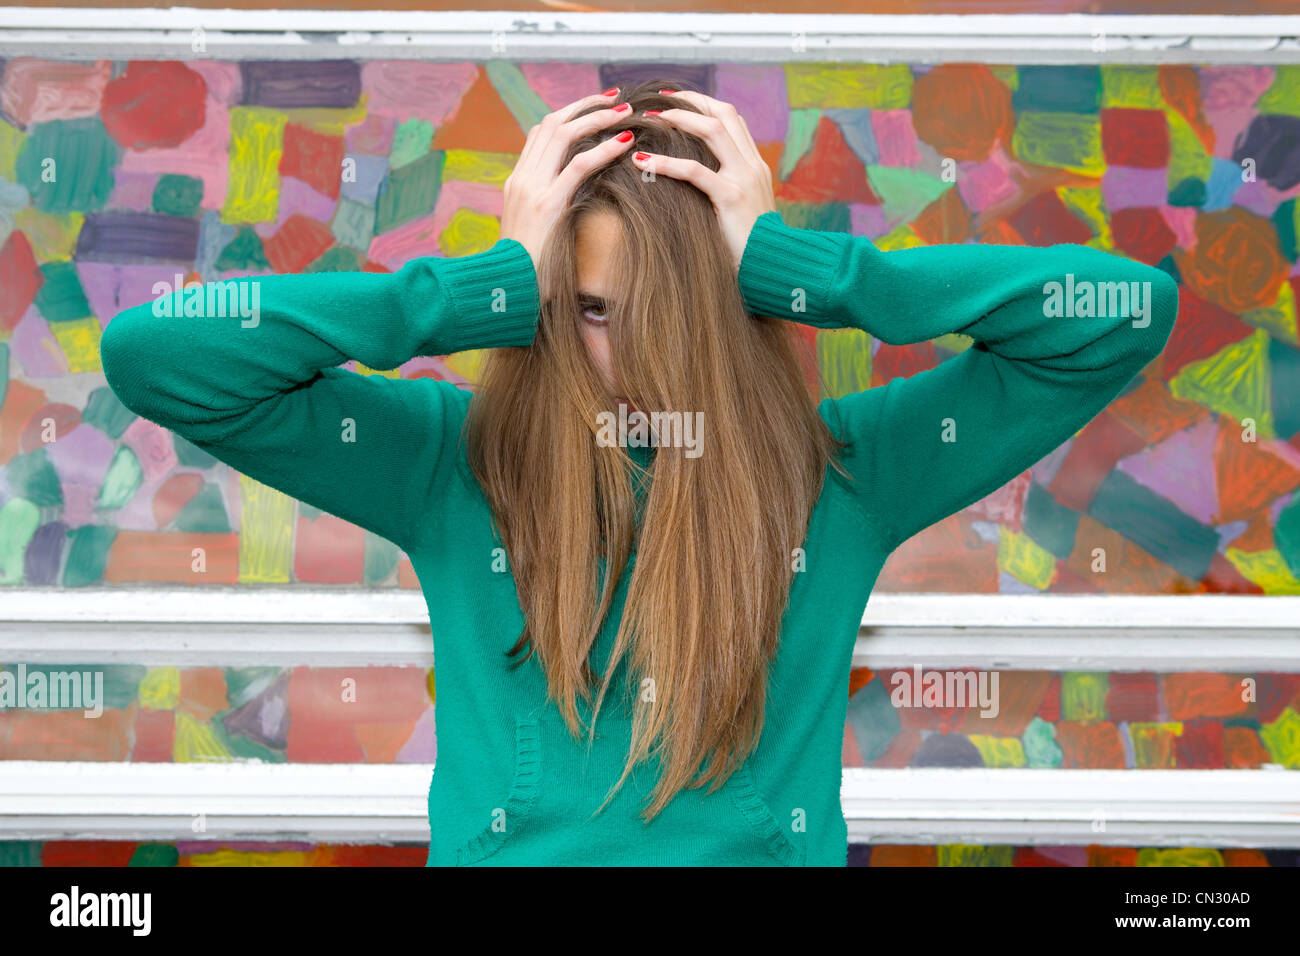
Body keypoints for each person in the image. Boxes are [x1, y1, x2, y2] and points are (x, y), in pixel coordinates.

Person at [101, 79, 1178, 866]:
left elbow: (1125, 312)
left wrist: (807, 270)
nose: (635, 353)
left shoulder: (841, 472)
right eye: (591, 309)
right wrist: (480, 285)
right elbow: (155, 354)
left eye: (681, 309)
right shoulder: (452, 456)